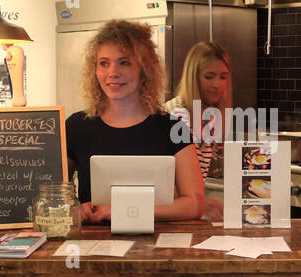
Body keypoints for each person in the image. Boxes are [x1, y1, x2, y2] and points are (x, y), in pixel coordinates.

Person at [65, 20, 203, 224]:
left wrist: (125, 211)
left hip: (156, 247)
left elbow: (194, 205)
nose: (113, 72)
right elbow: (52, 200)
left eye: (124, 62)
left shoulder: (172, 128)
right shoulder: (76, 126)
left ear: (145, 69)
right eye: (104, 63)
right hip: (92, 249)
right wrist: (76, 210)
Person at [164, 41, 231, 220]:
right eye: (209, 77)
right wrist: (201, 203)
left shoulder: (210, 117)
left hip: (186, 217)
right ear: (193, 77)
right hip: (166, 218)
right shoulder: (175, 115)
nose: (217, 84)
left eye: (223, 77)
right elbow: (163, 183)